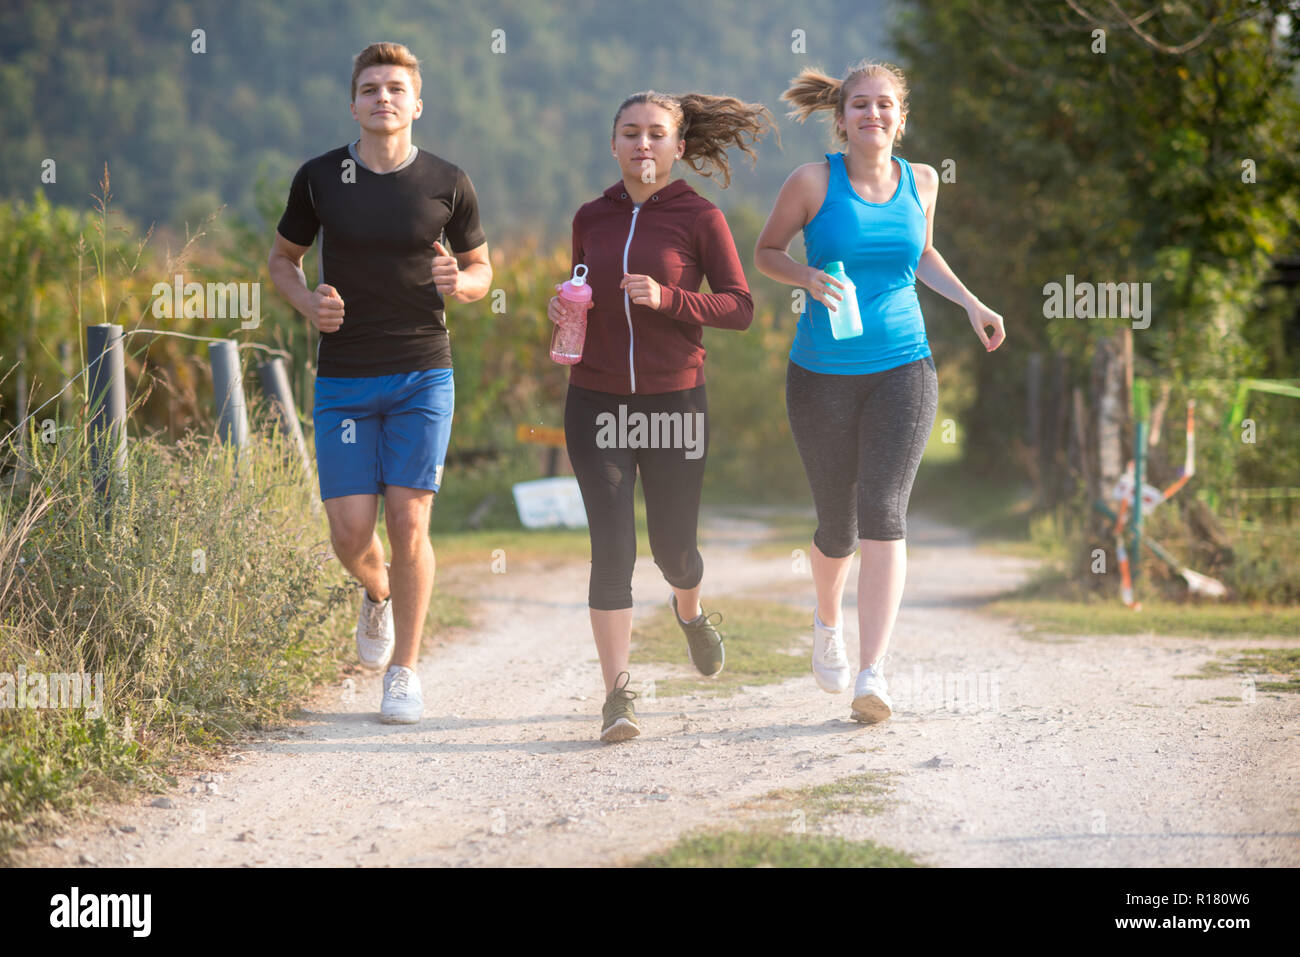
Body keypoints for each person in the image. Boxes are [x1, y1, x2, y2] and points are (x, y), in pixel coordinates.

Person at [753, 60, 1005, 723]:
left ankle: (872, 672)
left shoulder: (921, 181)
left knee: (885, 511)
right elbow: (767, 251)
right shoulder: (812, 181)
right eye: (860, 105)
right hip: (821, 373)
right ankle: (827, 620)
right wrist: (805, 278)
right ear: (841, 118)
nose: (873, 115)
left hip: (904, 365)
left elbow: (921, 254)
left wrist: (972, 303)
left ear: (901, 115)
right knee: (837, 526)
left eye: (885, 105)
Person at [268, 42, 492, 724]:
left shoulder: (449, 181)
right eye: (371, 88)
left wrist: (465, 282)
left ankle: (405, 672)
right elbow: (282, 261)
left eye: (396, 87)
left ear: (416, 103)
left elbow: (483, 271)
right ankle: (377, 593)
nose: (384, 97)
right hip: (344, 376)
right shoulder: (318, 179)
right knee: (348, 531)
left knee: (409, 518)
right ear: (354, 104)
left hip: (424, 369)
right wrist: (308, 303)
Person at [549, 90, 773, 742]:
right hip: (594, 399)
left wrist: (669, 297)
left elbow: (740, 306)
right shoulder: (591, 216)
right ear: (613, 144)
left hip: (675, 400)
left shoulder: (700, 217)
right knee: (612, 548)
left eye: (655, 134)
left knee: (675, 550)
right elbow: (584, 289)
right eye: (630, 133)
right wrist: (568, 310)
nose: (642, 144)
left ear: (678, 147)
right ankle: (618, 695)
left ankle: (691, 611)